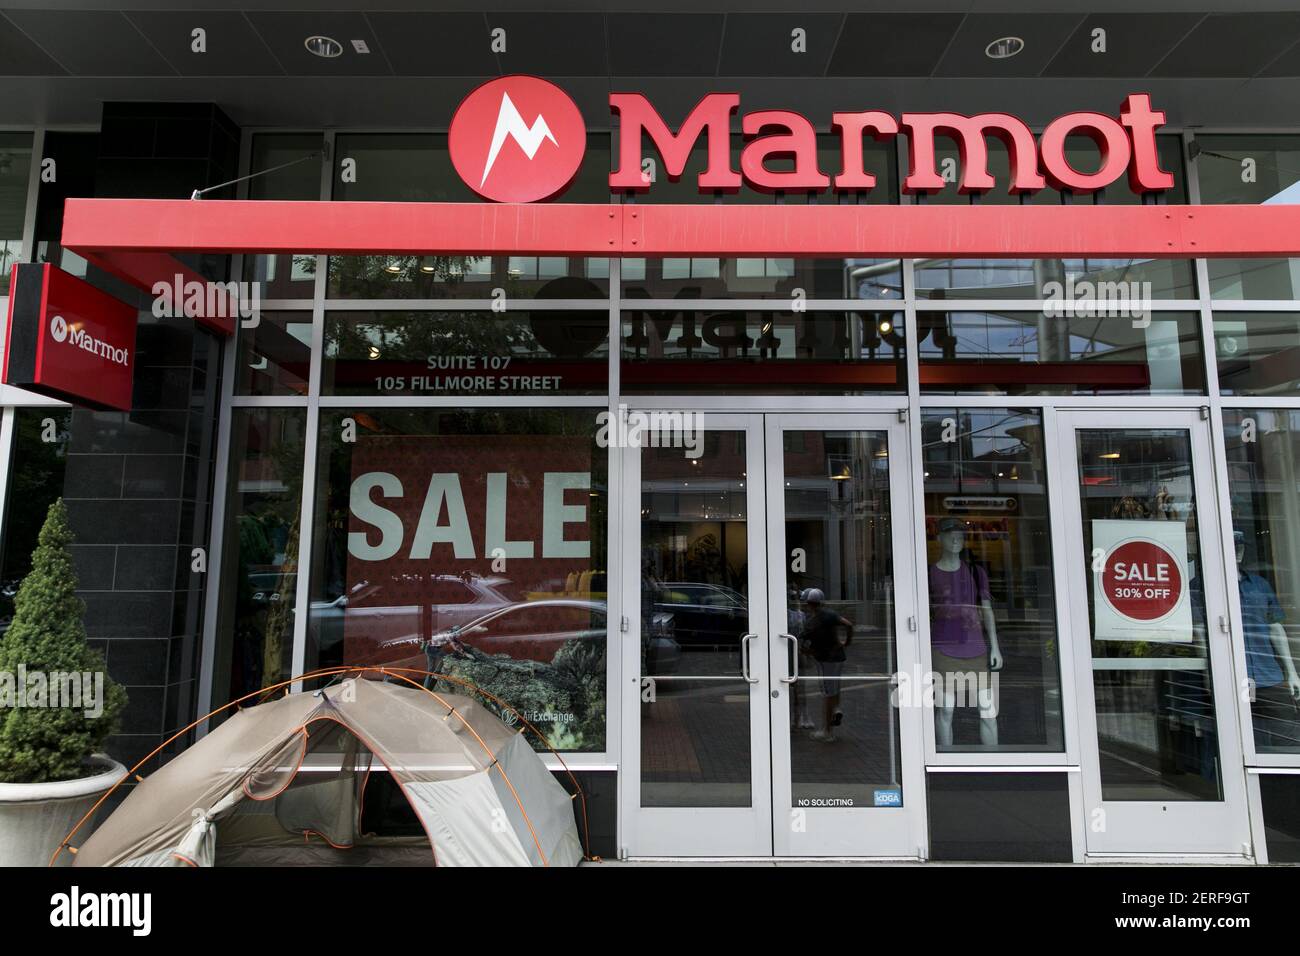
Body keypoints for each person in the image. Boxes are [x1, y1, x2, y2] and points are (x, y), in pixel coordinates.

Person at [929, 516, 1002, 747]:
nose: (955, 539)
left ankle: (994, 764)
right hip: (944, 648)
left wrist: (995, 648)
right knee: (946, 710)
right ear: (939, 538)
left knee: (988, 710)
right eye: (950, 535)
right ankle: (945, 763)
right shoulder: (929, 574)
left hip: (976, 648)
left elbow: (987, 610)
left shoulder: (975, 571)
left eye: (960, 535)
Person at [1234, 530, 1300, 750]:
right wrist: (1209, 680)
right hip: (1237, 679)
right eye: (1233, 546)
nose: (1237, 551)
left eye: (1241, 547)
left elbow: (1276, 628)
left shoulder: (1260, 585)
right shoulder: (1205, 588)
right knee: (1246, 740)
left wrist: (1291, 672)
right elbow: (1202, 633)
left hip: (1269, 676)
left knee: (1289, 735)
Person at [801, 588, 852, 742]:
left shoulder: (811, 622)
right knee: (834, 686)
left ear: (808, 603)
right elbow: (848, 625)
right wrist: (846, 642)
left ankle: (827, 731)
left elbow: (806, 644)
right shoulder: (830, 614)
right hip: (838, 656)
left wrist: (807, 652)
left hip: (825, 660)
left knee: (827, 693)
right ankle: (836, 709)